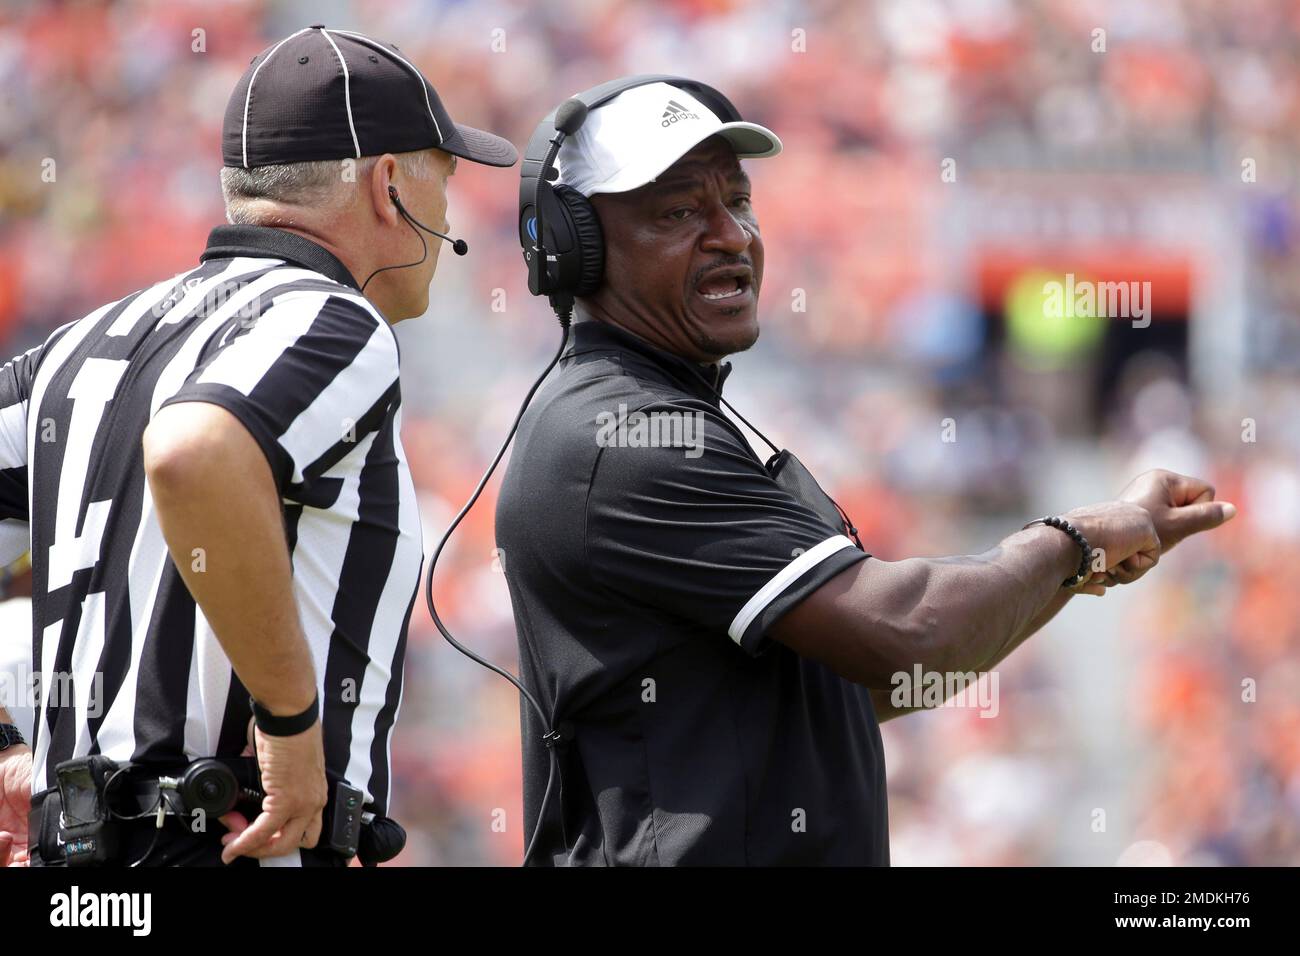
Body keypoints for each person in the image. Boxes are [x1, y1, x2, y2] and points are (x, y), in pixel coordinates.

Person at [493, 79, 1236, 865]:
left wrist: (1080, 563)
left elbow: (858, 687)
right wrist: (1074, 541)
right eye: (678, 212)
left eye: (737, 202)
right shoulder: (629, 438)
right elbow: (906, 635)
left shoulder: (676, 414)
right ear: (575, 245)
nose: (730, 236)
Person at [0, 25, 516, 867]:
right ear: (389, 183)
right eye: (444, 173)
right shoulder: (335, 317)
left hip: (80, 871)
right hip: (234, 846)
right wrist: (287, 721)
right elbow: (194, 451)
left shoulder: (81, 342)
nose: (451, 208)